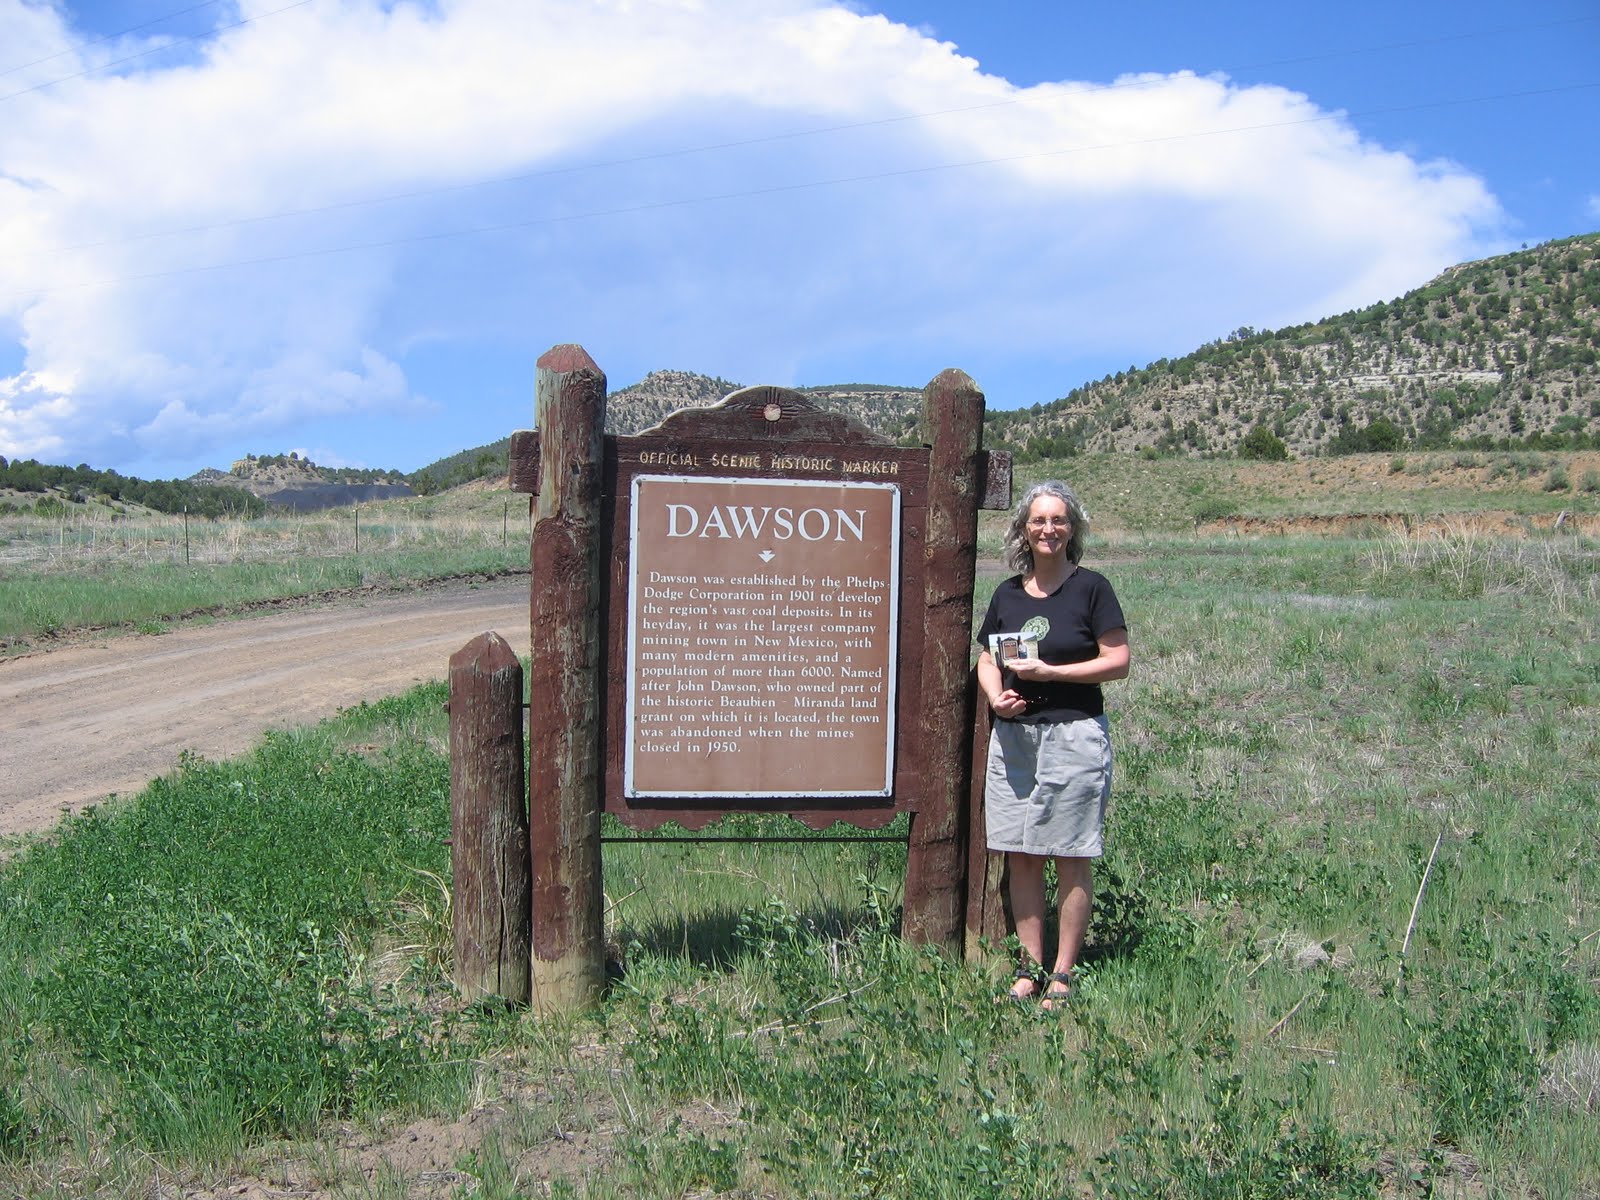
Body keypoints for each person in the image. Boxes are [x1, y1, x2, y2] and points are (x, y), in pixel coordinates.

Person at [977, 481, 1129, 1007]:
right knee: (1020, 855)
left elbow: (1118, 661)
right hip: (1015, 741)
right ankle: (1027, 967)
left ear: (1073, 529)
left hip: (1073, 737)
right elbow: (985, 659)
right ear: (1024, 528)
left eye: (1058, 520)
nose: (1048, 529)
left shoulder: (1092, 589)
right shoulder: (1008, 595)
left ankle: (1061, 975)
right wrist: (997, 698)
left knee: (1069, 853)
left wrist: (1051, 671)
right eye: (1038, 520)